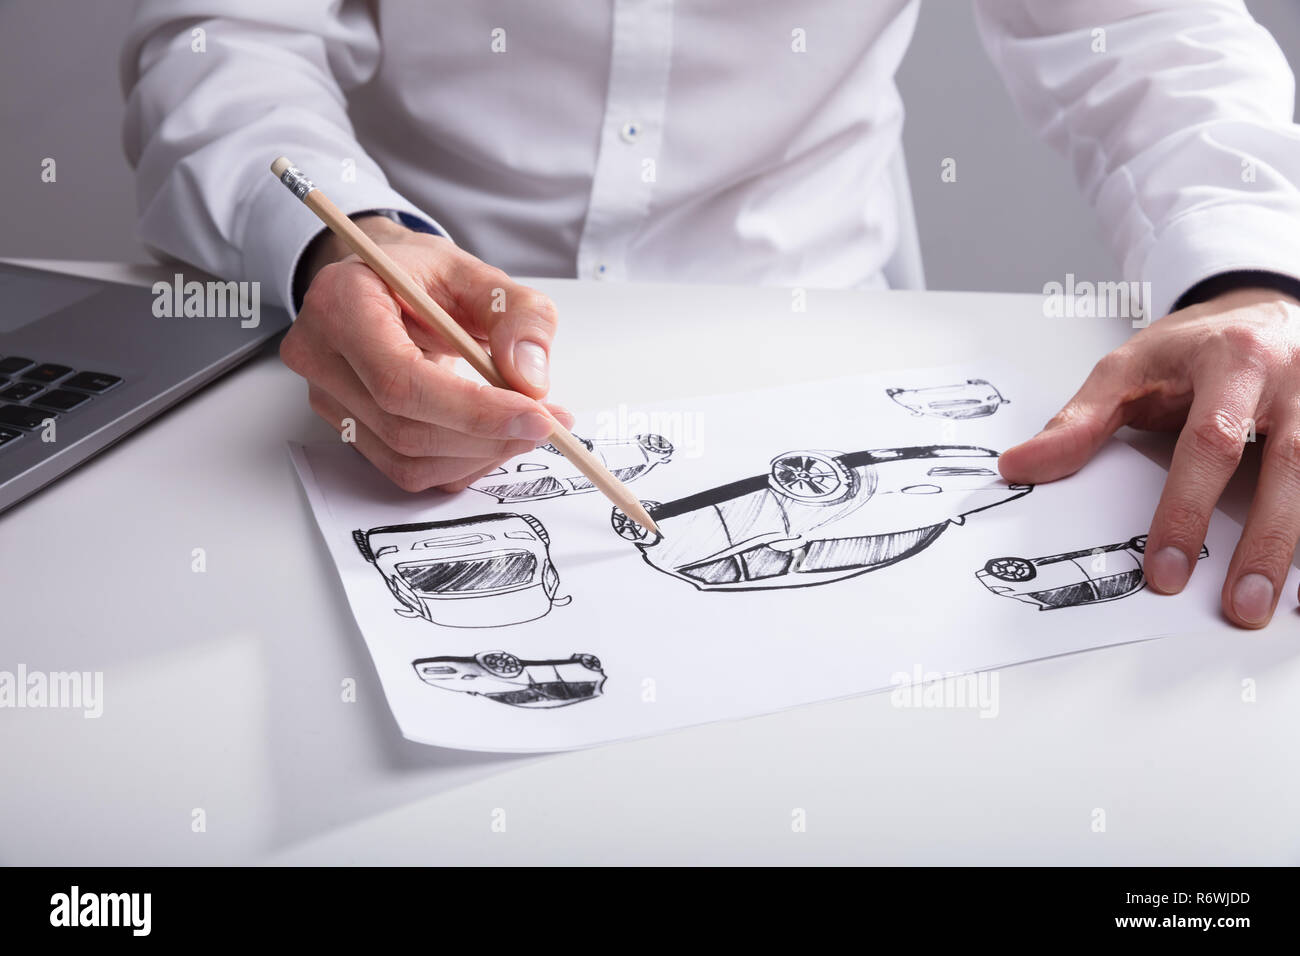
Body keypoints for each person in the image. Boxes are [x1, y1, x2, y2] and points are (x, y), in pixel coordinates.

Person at [120, 1, 1300, 628]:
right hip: (404, 350)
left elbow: (1148, 36)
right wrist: (342, 239)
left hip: (817, 321)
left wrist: (1250, 282)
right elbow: (224, 38)